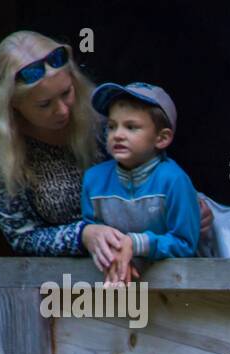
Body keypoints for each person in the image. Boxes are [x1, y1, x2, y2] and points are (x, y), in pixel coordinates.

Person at [0, 31, 209, 272]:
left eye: (66, 93)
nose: (62, 110)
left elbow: (148, 165)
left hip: (145, 255)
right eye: (44, 104)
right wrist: (83, 235)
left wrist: (188, 205)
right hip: (61, 278)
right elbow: (23, 237)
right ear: (13, 104)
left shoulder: (99, 114)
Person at [82, 82, 200, 284]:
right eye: (111, 126)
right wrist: (114, 255)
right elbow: (94, 231)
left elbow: (185, 243)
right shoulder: (94, 180)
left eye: (131, 127)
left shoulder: (173, 180)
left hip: (174, 286)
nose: (117, 134)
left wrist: (135, 244)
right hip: (113, 285)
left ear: (161, 138)